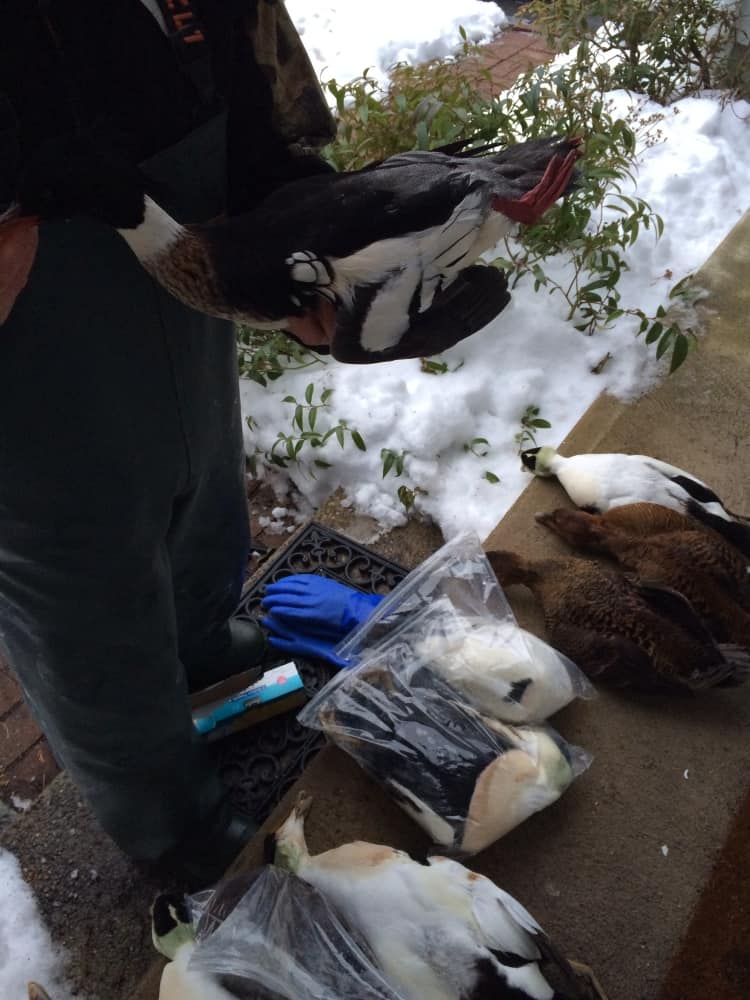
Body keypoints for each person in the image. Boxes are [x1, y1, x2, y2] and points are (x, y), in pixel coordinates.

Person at [0, 0, 336, 885]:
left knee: (204, 492)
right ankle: (172, 828)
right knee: (88, 605)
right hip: (24, 326)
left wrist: (287, 207)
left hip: (178, 238)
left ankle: (199, 656)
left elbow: (253, 66)